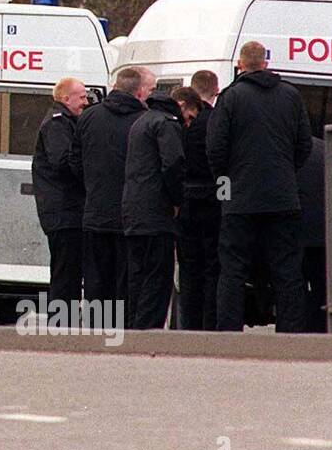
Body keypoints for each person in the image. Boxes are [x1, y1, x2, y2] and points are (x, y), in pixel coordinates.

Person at [207, 41, 312, 332]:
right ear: (265, 63)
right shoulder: (291, 95)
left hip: (240, 198)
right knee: (288, 269)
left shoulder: (231, 97)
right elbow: (304, 144)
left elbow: (216, 148)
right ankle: (291, 332)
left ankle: (229, 330)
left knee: (232, 269)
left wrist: (225, 184)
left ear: (240, 65)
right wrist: (286, 174)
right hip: (283, 198)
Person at [69, 66, 154, 326]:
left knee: (96, 278)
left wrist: (92, 186)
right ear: (139, 91)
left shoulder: (89, 117)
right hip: (131, 214)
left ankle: (97, 330)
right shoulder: (146, 120)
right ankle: (122, 331)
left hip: (95, 211)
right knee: (127, 278)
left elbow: (74, 160)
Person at [122, 87, 191, 329]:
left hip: (133, 212)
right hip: (156, 213)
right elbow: (173, 164)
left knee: (137, 278)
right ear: (179, 105)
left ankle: (134, 330)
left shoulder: (141, 121)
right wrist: (177, 200)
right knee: (157, 278)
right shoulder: (166, 123)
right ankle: (148, 331)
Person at [31, 77, 87, 311]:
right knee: (65, 273)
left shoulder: (65, 122)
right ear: (66, 98)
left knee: (69, 270)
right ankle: (62, 325)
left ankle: (65, 322)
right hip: (64, 212)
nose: (86, 101)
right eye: (82, 97)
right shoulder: (57, 124)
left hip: (65, 211)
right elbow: (62, 162)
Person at [177, 70, 221, 329]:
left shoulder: (180, 121)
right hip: (213, 201)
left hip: (185, 201)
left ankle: (188, 325)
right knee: (212, 268)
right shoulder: (216, 121)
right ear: (215, 91)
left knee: (188, 268)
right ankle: (209, 325)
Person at [296, 136, 327, 332]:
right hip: (323, 233)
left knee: (293, 283)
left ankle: (297, 325)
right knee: (321, 285)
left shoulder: (286, 152)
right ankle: (320, 325)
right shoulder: (325, 150)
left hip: (294, 232)